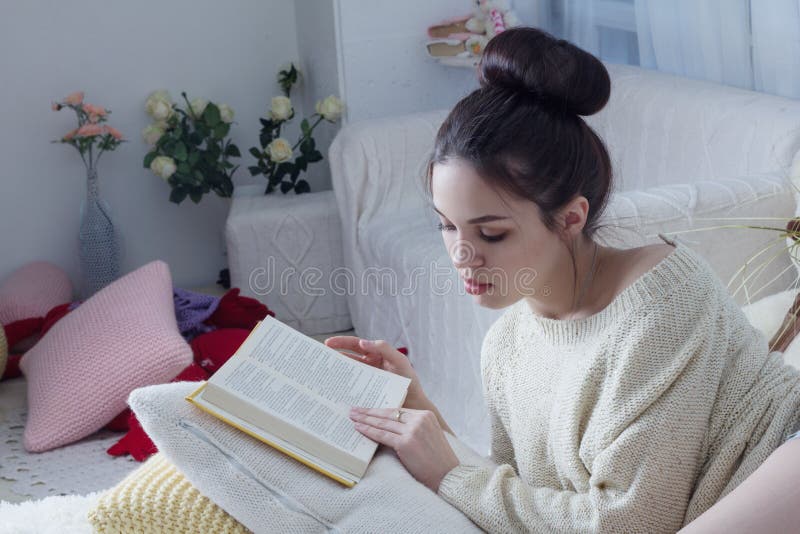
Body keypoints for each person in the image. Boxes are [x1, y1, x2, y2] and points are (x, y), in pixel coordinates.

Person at [326, 27, 800, 533]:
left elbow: (629, 524)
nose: (462, 255)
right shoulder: (506, 347)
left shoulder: (663, 302)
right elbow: (523, 503)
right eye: (446, 225)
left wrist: (447, 474)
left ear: (572, 218)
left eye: (491, 233)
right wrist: (426, 413)